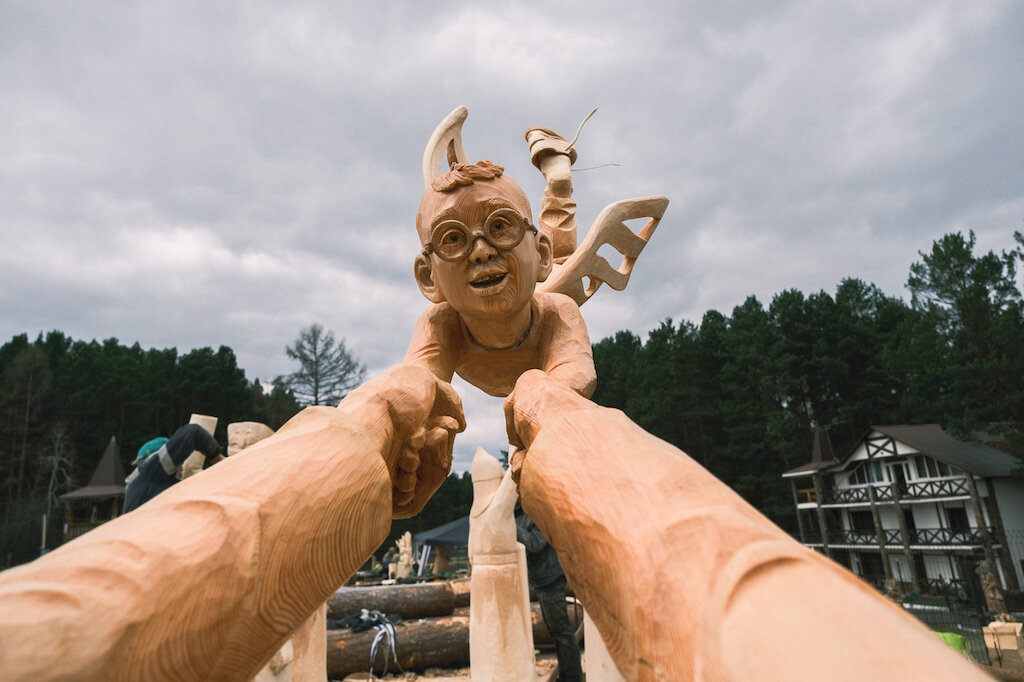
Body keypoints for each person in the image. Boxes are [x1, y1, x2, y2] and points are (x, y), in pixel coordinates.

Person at [404, 158, 596, 401]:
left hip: (549, 279)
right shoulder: (438, 324)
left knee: (564, 261)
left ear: (541, 255)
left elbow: (572, 383)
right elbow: (412, 387)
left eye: (499, 225)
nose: (482, 252)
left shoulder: (559, 312)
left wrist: (533, 395)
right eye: (453, 239)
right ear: (428, 278)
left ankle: (559, 187)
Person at [516, 506, 583, 682]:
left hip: (550, 579)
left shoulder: (539, 513)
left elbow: (535, 544)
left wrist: (512, 527)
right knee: (557, 633)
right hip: (543, 580)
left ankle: (573, 677)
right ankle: (566, 676)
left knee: (562, 632)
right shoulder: (526, 515)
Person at [123, 423, 225, 512]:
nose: (182, 466)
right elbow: (193, 432)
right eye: (179, 462)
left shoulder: (147, 486)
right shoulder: (153, 471)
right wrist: (221, 461)